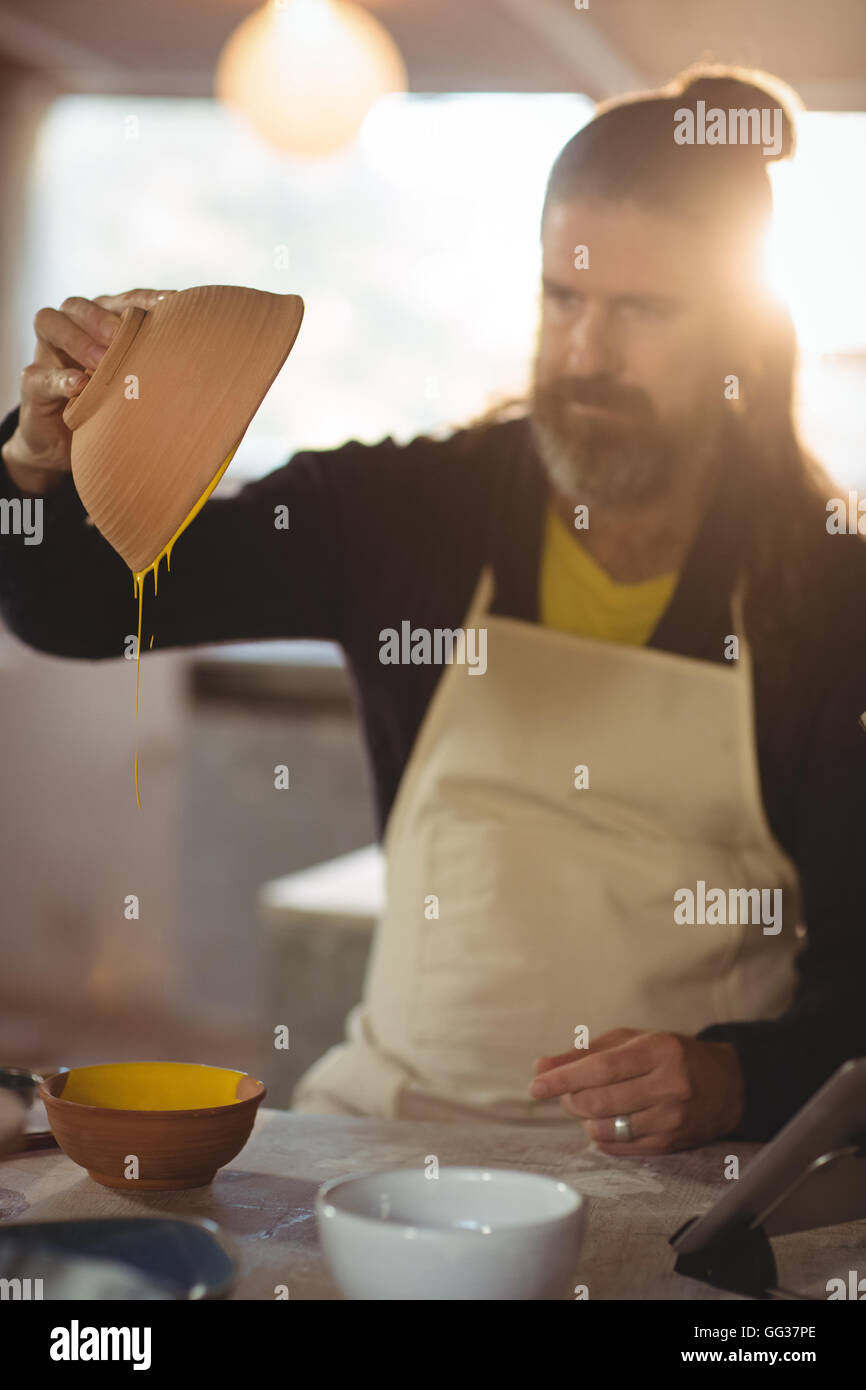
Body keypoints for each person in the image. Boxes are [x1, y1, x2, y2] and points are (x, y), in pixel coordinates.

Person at [2, 66, 865, 1153]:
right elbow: (77, 610)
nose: (587, 355)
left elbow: (856, 981)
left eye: (642, 311)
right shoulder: (404, 513)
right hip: (391, 1133)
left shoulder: (828, 595)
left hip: (677, 1169)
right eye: (564, 297)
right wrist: (35, 465)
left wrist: (740, 1077)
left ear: (747, 331)